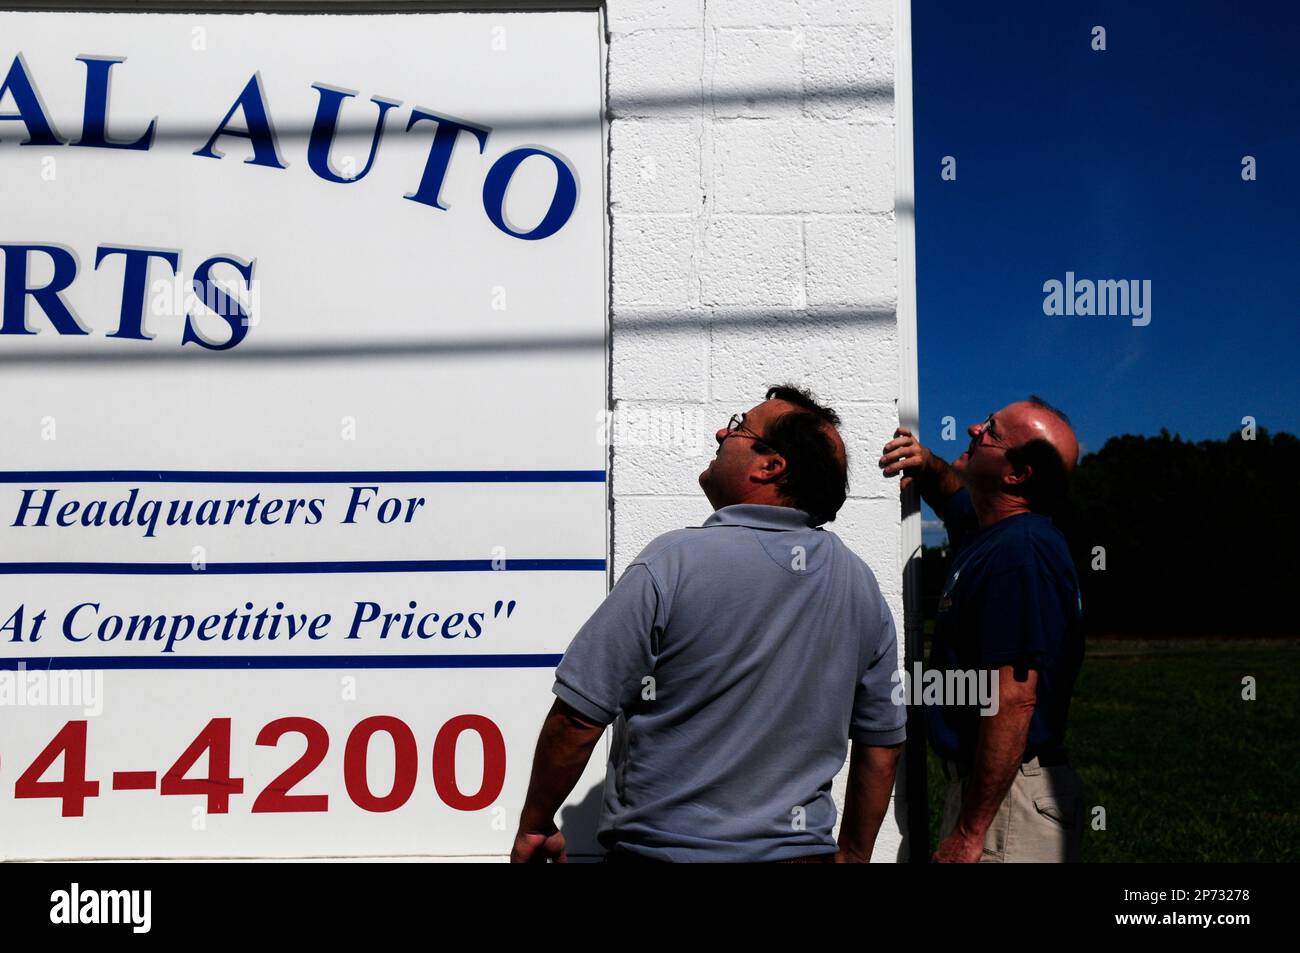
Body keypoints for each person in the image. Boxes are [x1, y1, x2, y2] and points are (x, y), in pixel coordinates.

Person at [511, 384, 905, 862]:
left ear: (770, 466)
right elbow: (881, 743)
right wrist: (855, 854)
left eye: (739, 427)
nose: (722, 432)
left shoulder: (673, 561)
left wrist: (535, 823)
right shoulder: (861, 585)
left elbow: (578, 717)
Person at [879, 396, 1086, 862]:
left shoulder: (1021, 552)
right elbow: (956, 501)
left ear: (1016, 476)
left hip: (1006, 803)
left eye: (991, 431)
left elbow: (1013, 697)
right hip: (998, 791)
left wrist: (971, 832)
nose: (972, 427)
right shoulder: (997, 534)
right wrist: (928, 464)